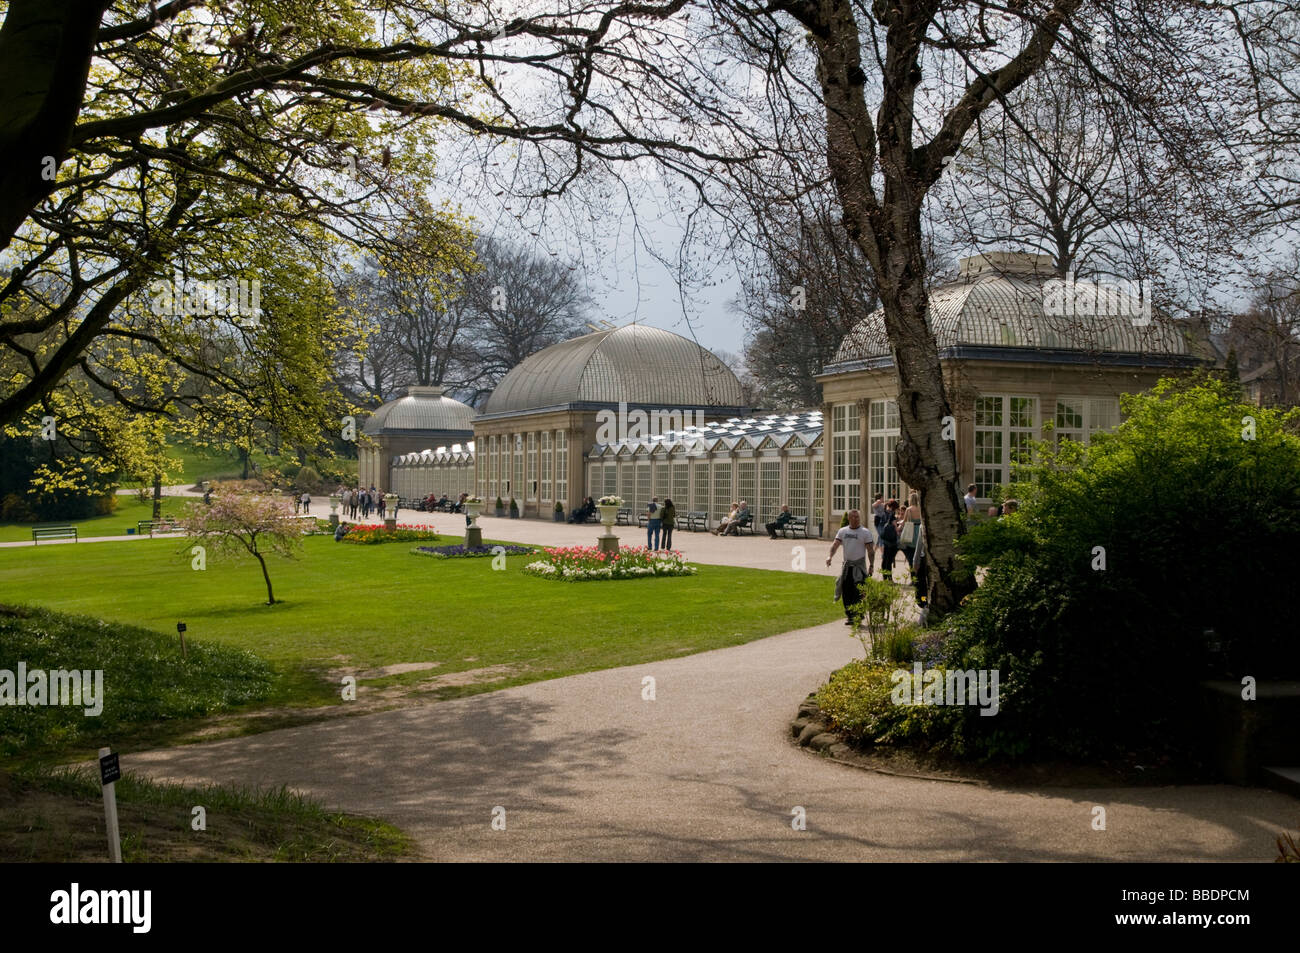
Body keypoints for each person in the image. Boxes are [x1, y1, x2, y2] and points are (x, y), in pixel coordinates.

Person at [827, 509, 873, 627]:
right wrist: (830, 557)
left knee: (859, 592)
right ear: (849, 518)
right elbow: (835, 545)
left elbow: (870, 550)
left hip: (859, 566)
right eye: (853, 517)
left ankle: (858, 615)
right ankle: (850, 615)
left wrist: (871, 565)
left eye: (857, 517)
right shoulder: (843, 531)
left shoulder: (865, 532)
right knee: (846, 591)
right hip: (847, 566)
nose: (856, 519)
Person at [878, 500, 903, 581]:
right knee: (889, 560)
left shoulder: (884, 513)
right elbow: (896, 528)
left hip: (885, 539)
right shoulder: (891, 514)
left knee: (885, 559)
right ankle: (889, 578)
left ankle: (885, 577)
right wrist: (899, 529)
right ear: (894, 507)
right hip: (891, 540)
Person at [899, 491, 922, 568]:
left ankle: (912, 572)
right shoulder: (921, 508)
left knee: (911, 554)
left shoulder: (909, 509)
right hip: (920, 530)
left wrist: (899, 527)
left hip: (911, 533)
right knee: (920, 553)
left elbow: (904, 522)